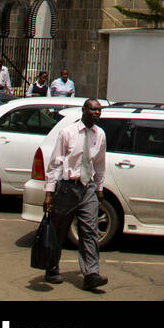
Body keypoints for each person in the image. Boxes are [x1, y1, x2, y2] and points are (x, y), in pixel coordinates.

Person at [43, 97, 107, 292]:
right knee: (58, 230)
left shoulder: (100, 134)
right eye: (93, 109)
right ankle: (52, 268)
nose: (96, 113)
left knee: (89, 231)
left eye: (99, 110)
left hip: (87, 188)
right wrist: (49, 192)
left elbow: (100, 164)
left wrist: (99, 188)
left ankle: (91, 274)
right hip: (67, 188)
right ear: (83, 110)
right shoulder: (67, 133)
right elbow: (55, 163)